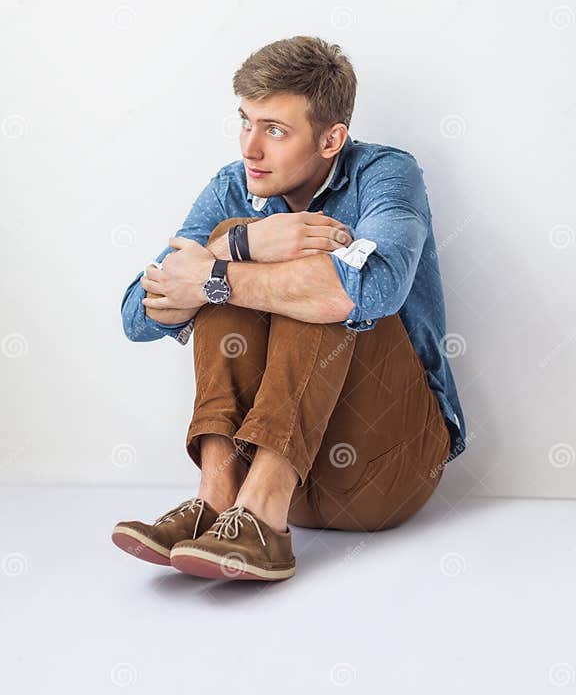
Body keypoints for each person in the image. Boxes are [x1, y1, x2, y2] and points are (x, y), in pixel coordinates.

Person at [111, 35, 466, 582]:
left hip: (385, 470)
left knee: (322, 259)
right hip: (290, 472)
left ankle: (261, 519)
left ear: (332, 139)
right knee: (228, 241)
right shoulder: (234, 185)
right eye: (245, 122)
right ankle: (216, 503)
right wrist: (237, 250)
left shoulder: (387, 173)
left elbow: (372, 291)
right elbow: (138, 314)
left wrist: (217, 273)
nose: (250, 148)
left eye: (275, 130)